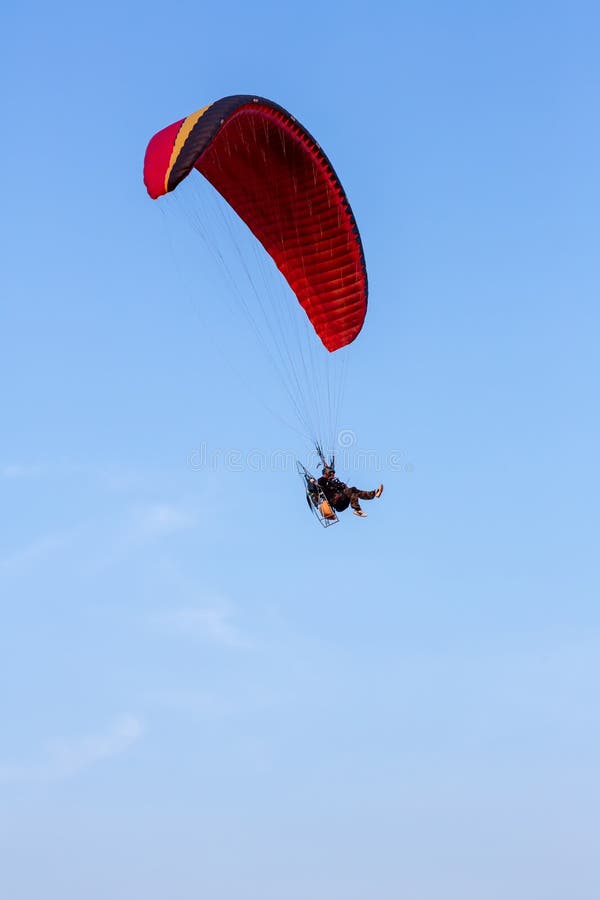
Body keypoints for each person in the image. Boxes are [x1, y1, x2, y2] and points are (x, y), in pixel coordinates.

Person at [317, 466, 383, 518]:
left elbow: (345, 489)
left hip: (342, 502)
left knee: (354, 491)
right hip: (336, 502)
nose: (333, 474)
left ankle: (372, 495)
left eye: (333, 473)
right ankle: (359, 507)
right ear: (326, 473)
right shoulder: (322, 481)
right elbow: (318, 483)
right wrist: (312, 481)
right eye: (331, 473)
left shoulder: (334, 482)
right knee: (352, 490)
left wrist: (343, 486)